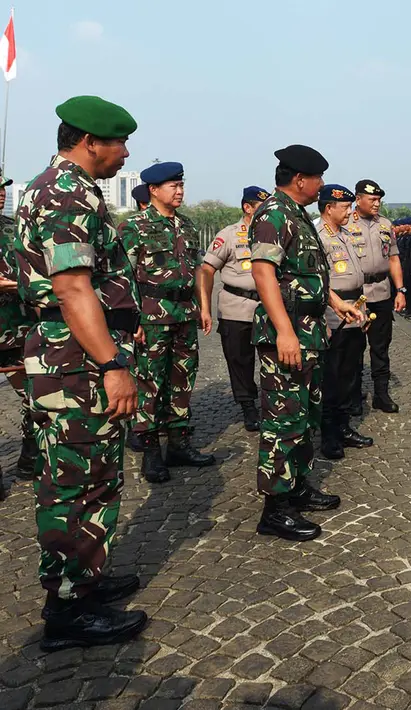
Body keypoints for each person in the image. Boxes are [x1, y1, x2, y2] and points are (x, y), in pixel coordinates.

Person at [16, 95, 147, 649]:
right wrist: (112, 363)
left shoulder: (68, 187)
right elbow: (72, 288)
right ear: (91, 142)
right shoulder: (65, 192)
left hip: (77, 355)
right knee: (74, 483)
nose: (125, 154)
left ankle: (86, 576)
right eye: (120, 143)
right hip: (75, 361)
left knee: (93, 477)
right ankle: (68, 609)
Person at [249, 144, 363, 542]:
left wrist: (335, 303)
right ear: (300, 179)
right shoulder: (274, 214)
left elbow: (306, 275)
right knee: (283, 420)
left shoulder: (297, 215)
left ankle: (296, 486)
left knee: (304, 416)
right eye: (318, 178)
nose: (321, 185)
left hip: (308, 330)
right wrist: (284, 331)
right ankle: (275, 508)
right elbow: (263, 273)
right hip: (288, 332)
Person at [121, 161, 216, 484]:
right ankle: (151, 452)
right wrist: (131, 319)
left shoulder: (186, 225)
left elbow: (198, 270)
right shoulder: (134, 226)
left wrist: (204, 307)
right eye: (173, 186)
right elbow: (124, 278)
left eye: (181, 185)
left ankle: (178, 444)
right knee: (150, 383)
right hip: (151, 318)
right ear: (154, 190)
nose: (180, 191)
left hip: (185, 314)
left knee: (182, 381)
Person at [198, 185, 271, 433]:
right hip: (235, 308)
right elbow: (207, 270)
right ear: (247, 208)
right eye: (261, 208)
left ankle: (273, 404)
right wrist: (205, 308)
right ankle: (248, 406)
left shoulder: (272, 234)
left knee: (273, 359)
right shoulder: (229, 235)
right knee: (240, 361)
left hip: (268, 308)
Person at [316, 184, 374, 460]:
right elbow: (318, 282)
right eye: (345, 207)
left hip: (355, 311)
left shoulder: (347, 235)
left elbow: (357, 279)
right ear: (329, 208)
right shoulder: (318, 237)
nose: (350, 212)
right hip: (333, 313)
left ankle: (344, 427)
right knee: (331, 376)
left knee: (350, 375)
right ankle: (329, 434)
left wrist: (364, 312)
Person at [350, 179, 405, 413]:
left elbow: (393, 258)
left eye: (379, 199)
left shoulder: (385, 224)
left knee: (381, 347)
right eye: (372, 199)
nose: (377, 204)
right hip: (355, 295)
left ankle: (381, 394)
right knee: (353, 348)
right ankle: (353, 395)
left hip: (381, 292)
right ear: (358, 199)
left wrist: (400, 290)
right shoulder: (345, 223)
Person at [0, 176, 38, 490]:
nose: (1, 194)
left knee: (35, 397)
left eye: (2, 188)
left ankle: (30, 457)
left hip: (19, 329)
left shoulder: (14, 229)